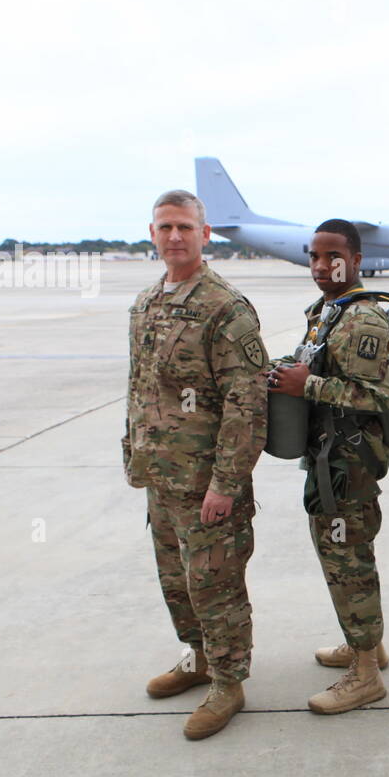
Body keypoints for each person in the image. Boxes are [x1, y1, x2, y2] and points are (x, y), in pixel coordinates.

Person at [124, 189, 268, 740]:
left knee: (216, 583)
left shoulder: (224, 307)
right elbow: (138, 388)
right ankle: (199, 657)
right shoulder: (146, 303)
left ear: (205, 235)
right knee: (175, 581)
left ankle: (229, 682)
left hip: (206, 481)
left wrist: (227, 483)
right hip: (159, 475)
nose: (175, 236)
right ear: (153, 233)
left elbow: (247, 402)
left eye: (185, 226)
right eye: (165, 227)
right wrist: (131, 451)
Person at [269, 219, 389, 714]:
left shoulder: (363, 320)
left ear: (357, 260)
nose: (322, 266)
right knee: (340, 554)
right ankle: (368, 644)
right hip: (329, 457)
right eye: (315, 257)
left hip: (351, 463)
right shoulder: (326, 312)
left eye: (333, 257)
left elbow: (379, 396)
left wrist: (307, 386)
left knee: (347, 558)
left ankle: (365, 674)